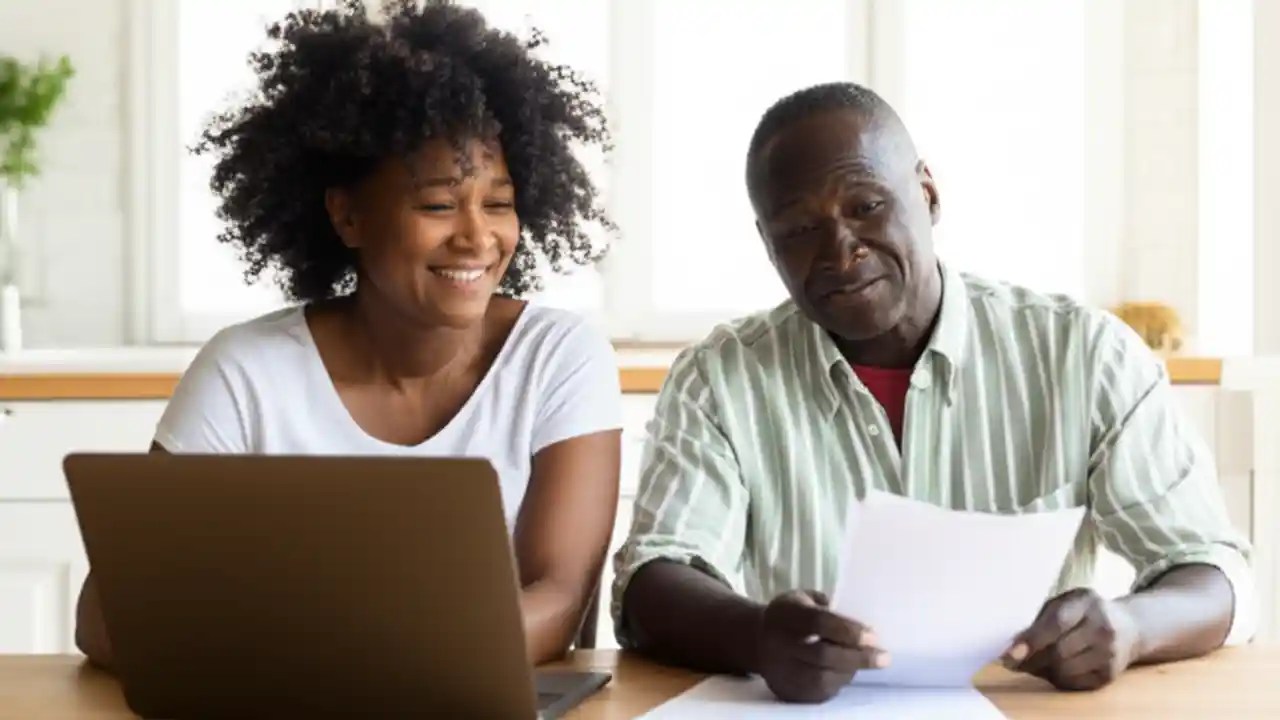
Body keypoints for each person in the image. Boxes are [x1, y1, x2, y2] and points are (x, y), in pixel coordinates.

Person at [611, 81, 1254, 703]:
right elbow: (651, 581)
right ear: (767, 245)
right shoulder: (721, 377)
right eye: (800, 231)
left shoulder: (1082, 354)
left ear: (927, 194)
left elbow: (1213, 573)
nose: (840, 251)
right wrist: (755, 637)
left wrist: (1133, 628)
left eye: (866, 206)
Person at [76, 0, 622, 670]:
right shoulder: (245, 372)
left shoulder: (559, 359)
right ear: (348, 216)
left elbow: (558, 602)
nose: (478, 237)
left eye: (500, 204)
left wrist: (350, 660)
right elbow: (107, 615)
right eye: (438, 205)